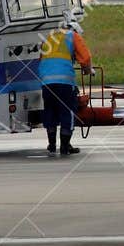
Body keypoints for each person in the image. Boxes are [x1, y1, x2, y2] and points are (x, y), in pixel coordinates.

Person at [38, 19, 92, 155]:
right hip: (64, 83)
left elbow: (41, 59)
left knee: (50, 110)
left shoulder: (49, 38)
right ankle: (65, 146)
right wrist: (87, 69)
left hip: (46, 84)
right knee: (67, 112)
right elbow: (85, 58)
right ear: (74, 30)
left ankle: (51, 144)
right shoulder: (73, 36)